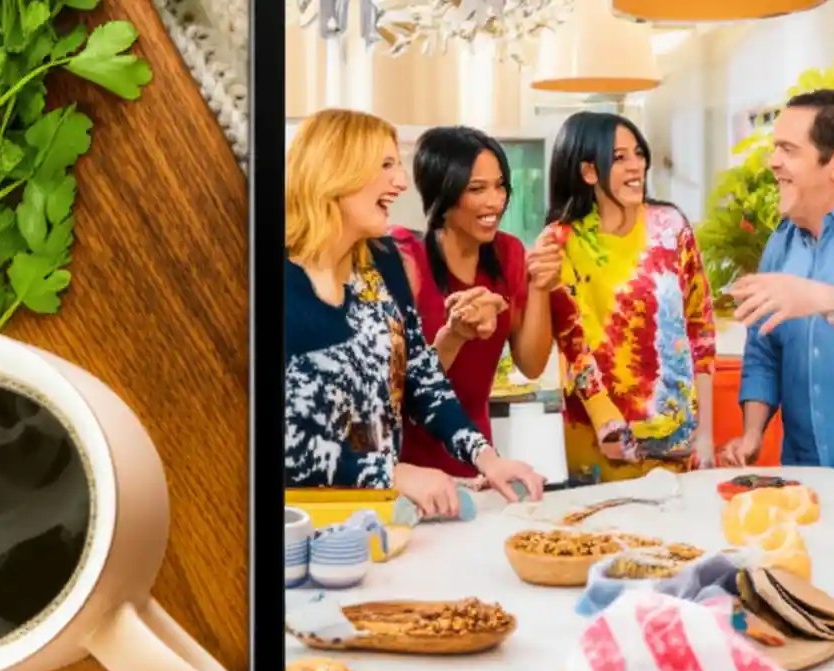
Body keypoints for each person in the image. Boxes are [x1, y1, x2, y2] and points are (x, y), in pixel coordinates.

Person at [283, 109, 545, 516]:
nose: (402, 182)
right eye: (386, 165)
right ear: (335, 169)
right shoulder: (274, 281)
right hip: (306, 525)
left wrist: (486, 457)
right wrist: (393, 472)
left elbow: (421, 374)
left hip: (385, 514)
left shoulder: (383, 261)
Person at [720, 89, 834, 485]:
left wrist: (827, 300)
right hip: (801, 482)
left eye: (788, 150)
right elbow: (763, 352)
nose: (772, 162)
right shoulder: (780, 243)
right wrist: (752, 432)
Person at [542, 111, 717, 483]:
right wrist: (604, 420)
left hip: (675, 439)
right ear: (589, 171)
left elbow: (700, 332)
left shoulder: (671, 228)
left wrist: (706, 435)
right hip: (599, 439)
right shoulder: (560, 242)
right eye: (619, 157)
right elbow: (572, 342)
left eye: (638, 153)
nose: (636, 165)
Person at [390, 126, 561, 480]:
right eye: (476, 189)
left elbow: (530, 364)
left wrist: (541, 285)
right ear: (443, 192)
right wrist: (455, 334)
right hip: (411, 467)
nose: (495, 201)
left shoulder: (509, 253)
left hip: (479, 461)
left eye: (500, 186)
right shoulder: (405, 258)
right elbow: (402, 394)